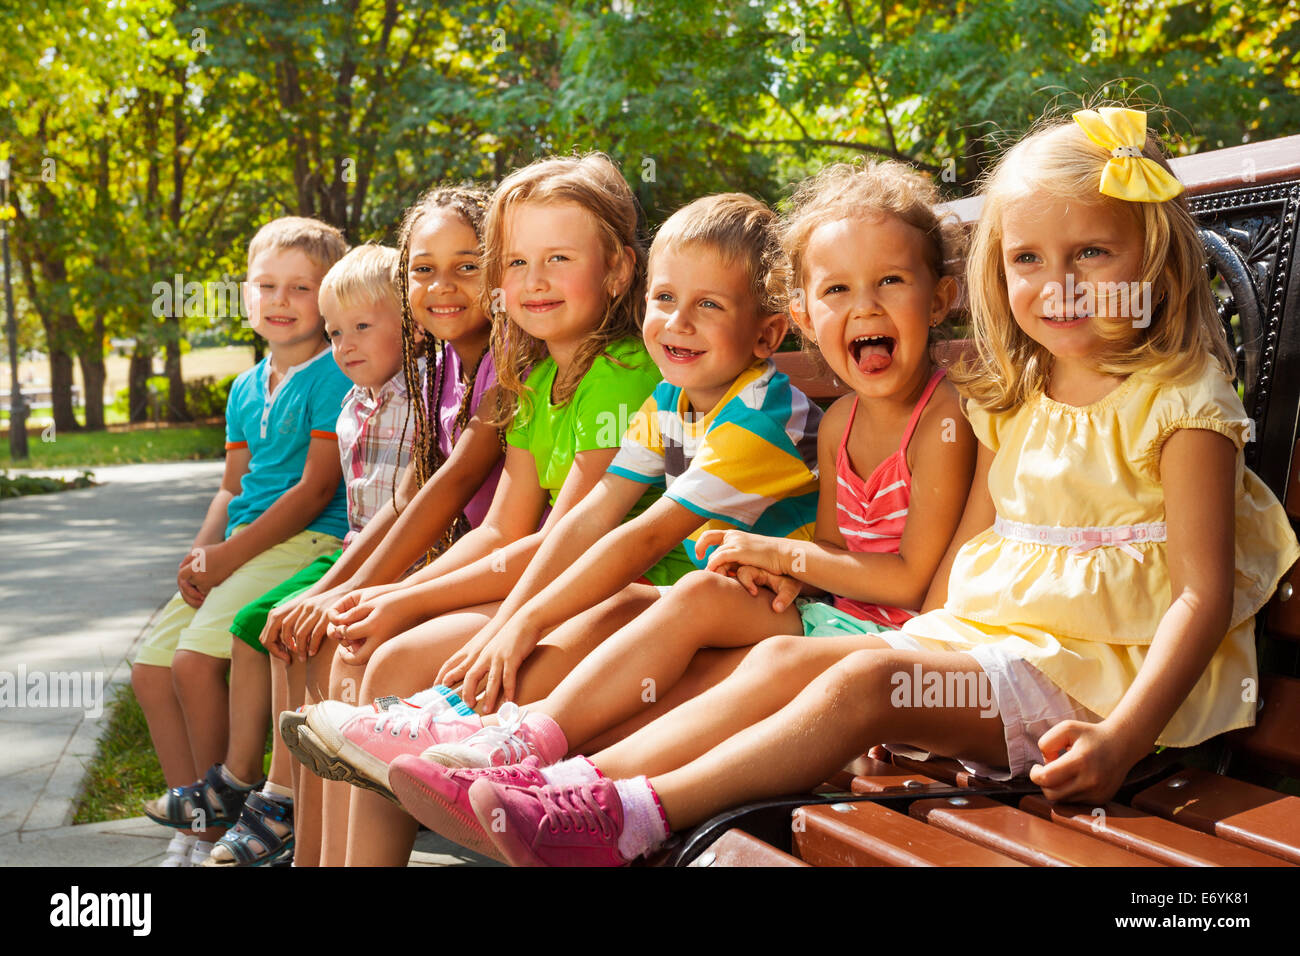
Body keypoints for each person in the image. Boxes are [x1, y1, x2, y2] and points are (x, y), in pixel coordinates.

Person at [464, 106, 1300, 866]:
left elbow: (1201, 592)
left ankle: (632, 818)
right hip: (995, 658)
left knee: (863, 682)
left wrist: (1121, 738)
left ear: (1148, 254)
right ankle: (574, 786)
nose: (1058, 281)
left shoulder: (1180, 401)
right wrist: (913, 669)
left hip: (1101, 691)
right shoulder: (1015, 400)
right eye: (1026, 259)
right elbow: (962, 572)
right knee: (798, 657)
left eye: (1090, 252)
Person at [392, 159, 977, 861]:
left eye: (890, 282)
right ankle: (526, 750)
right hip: (816, 609)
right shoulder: (831, 415)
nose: (867, 306)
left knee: (676, 599)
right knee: (668, 598)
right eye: (840, 289)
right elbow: (817, 548)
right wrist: (795, 572)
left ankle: (558, 778)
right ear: (803, 315)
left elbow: (909, 581)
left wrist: (776, 558)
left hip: (884, 640)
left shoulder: (917, 418)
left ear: (940, 296)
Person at [285, 153, 671, 865]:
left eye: (559, 258)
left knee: (392, 655)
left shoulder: (623, 375)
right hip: (553, 588)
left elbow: (572, 542)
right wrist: (396, 593)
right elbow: (501, 527)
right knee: (361, 642)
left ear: (618, 270)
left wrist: (408, 602)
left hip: (610, 603)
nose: (535, 280)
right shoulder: (541, 377)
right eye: (518, 261)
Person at [244, 186, 507, 867]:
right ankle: (314, 855)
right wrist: (330, 586)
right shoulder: (445, 364)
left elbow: (452, 486)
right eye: (424, 269)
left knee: (353, 649)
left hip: (491, 571)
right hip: (466, 563)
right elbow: (415, 489)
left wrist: (366, 593)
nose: (442, 286)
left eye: (467, 265)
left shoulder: (505, 361)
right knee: (316, 634)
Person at [133, 217, 351, 866]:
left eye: (300, 288)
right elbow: (232, 488)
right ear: (246, 295)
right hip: (242, 544)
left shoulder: (333, 375)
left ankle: (241, 808)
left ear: (330, 297)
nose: (280, 300)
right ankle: (196, 826)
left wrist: (230, 555)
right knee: (150, 668)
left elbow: (314, 491)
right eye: (266, 286)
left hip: (309, 538)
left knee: (195, 662)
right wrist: (202, 554)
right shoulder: (245, 385)